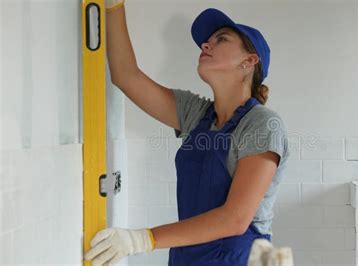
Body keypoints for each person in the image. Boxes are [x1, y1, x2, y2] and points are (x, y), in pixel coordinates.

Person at [84, 1, 290, 265]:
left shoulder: (262, 123)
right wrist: (114, 8)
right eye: (207, 41)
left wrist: (142, 239)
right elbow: (126, 77)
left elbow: (236, 219)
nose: (205, 45)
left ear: (249, 62)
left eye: (221, 39)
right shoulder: (197, 114)